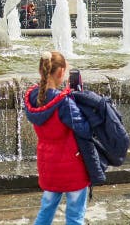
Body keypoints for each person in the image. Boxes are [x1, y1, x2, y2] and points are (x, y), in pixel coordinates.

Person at [24, 51, 91, 225]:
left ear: (41, 70)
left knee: (46, 210)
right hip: (72, 165)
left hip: (48, 163)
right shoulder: (64, 103)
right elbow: (83, 129)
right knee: (75, 216)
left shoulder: (32, 97)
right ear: (61, 72)